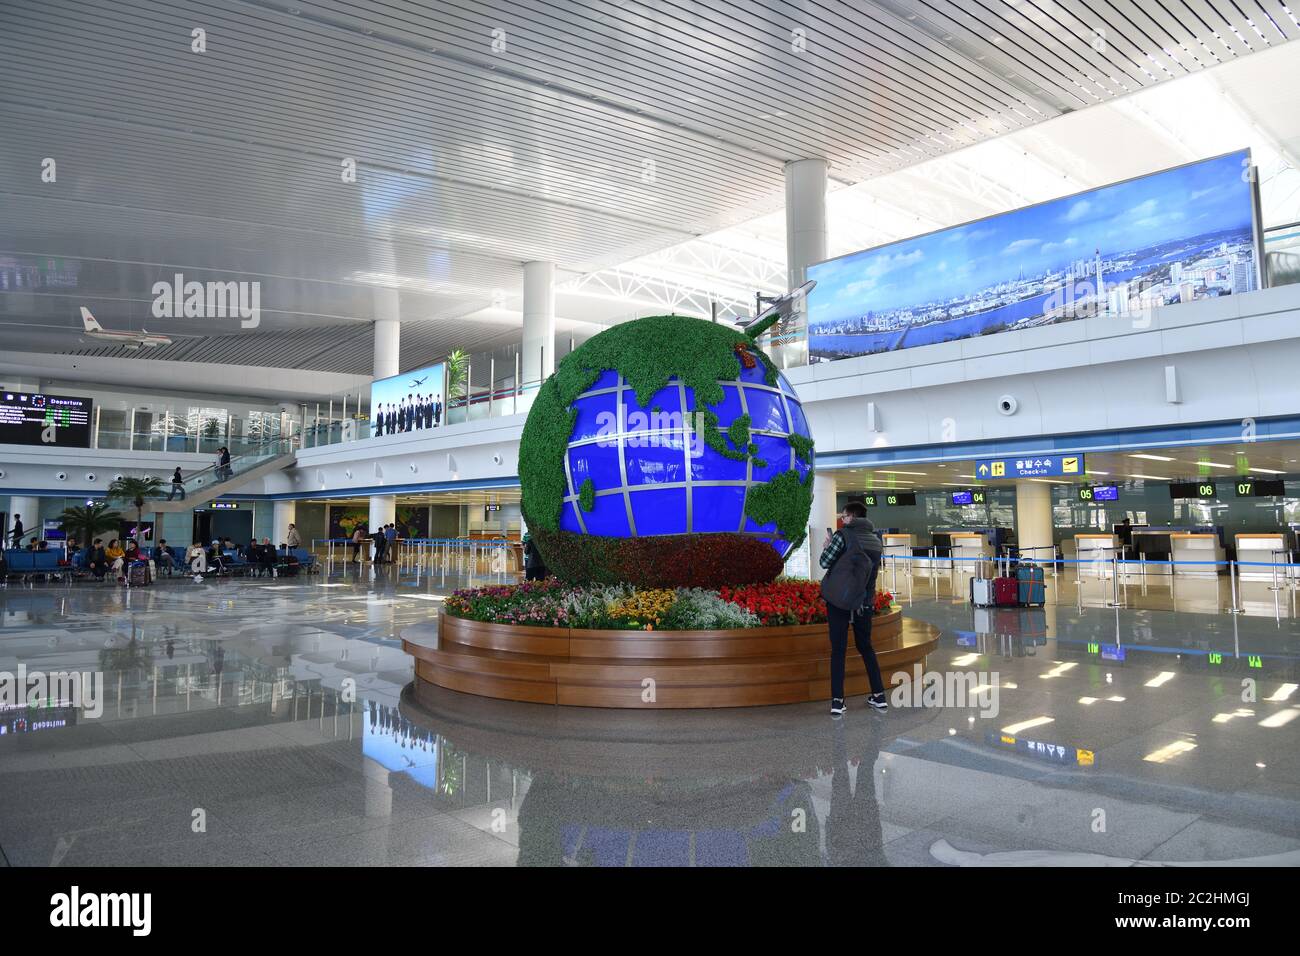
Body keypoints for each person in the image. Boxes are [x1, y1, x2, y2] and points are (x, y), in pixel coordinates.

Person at [819, 501, 887, 716]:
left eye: (844, 516)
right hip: (864, 602)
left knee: (838, 650)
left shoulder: (842, 535)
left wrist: (828, 546)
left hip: (839, 600)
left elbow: (824, 562)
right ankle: (879, 696)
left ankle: (838, 701)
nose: (842, 519)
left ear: (852, 517)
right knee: (866, 647)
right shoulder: (876, 540)